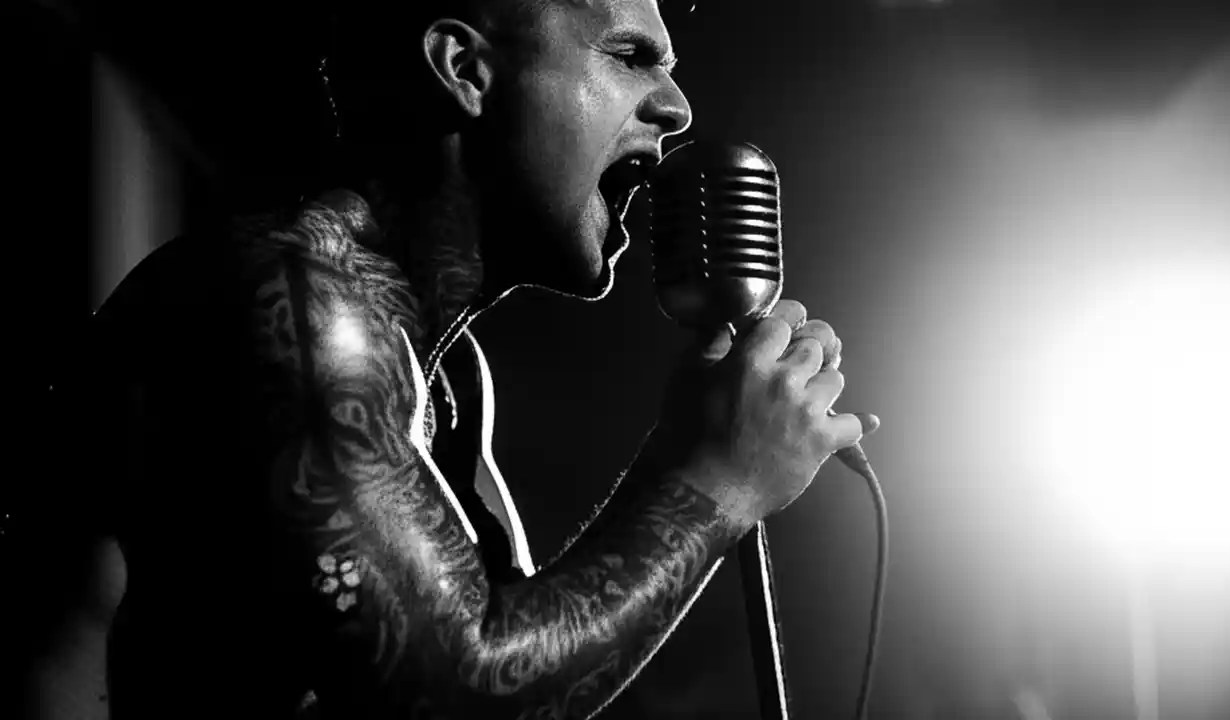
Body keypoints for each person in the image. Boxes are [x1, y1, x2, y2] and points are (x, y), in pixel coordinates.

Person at [27, 0, 873, 717]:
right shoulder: (293, 299)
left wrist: (704, 444)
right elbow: (463, 687)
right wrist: (715, 483)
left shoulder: (450, 373)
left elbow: (531, 654)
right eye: (629, 56)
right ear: (464, 69)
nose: (678, 107)